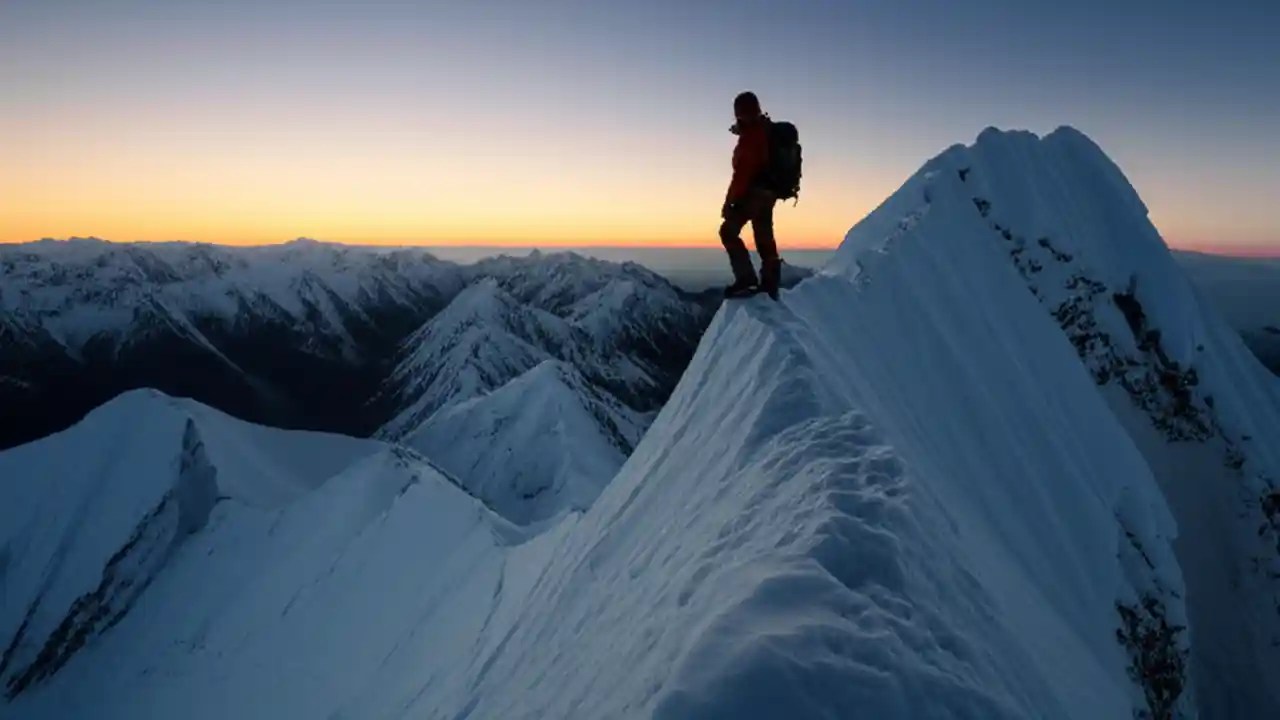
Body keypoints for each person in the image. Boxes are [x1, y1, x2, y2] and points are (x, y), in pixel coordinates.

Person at [720, 91, 781, 299]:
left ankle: (746, 279)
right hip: (769, 192)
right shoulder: (765, 130)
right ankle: (771, 282)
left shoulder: (750, 139)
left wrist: (729, 203)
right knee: (764, 235)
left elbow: (742, 175)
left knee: (728, 231)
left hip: (754, 193)